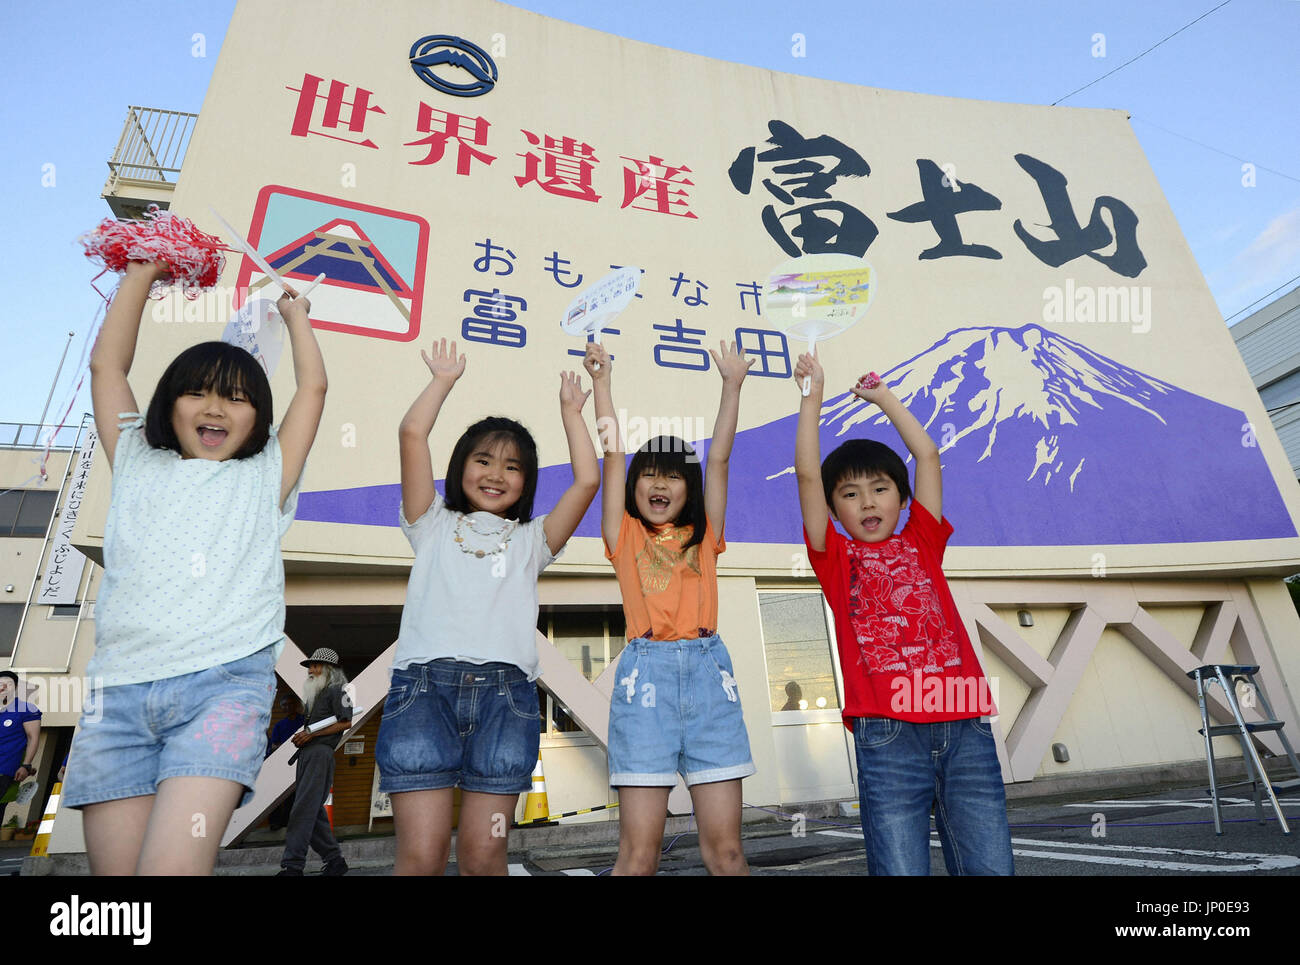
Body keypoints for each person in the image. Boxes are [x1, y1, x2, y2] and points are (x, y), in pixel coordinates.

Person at [61, 259, 327, 875]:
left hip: (222, 690)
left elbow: (312, 390)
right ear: (168, 403)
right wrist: (141, 270)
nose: (216, 408)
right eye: (198, 391)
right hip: (119, 693)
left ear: (258, 417)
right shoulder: (134, 456)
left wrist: (295, 317)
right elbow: (107, 366)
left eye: (237, 398)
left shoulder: (265, 475)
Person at [375, 338, 599, 876]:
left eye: (513, 467)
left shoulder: (533, 540)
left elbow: (589, 479)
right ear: (461, 466)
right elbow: (411, 433)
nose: (496, 474)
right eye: (483, 460)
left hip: (507, 701)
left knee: (483, 855)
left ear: (526, 481)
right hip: (422, 694)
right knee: (421, 858)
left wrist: (572, 413)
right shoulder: (429, 522)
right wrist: (443, 381)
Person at [793, 352, 1013, 876]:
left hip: (963, 722)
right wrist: (812, 399)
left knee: (991, 867)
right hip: (887, 731)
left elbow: (929, 455)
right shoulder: (836, 559)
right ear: (833, 509)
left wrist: (883, 396)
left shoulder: (923, 539)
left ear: (902, 497)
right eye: (849, 494)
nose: (866, 501)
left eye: (880, 488)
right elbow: (806, 476)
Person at [589, 340, 755, 876]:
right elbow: (612, 456)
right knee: (638, 855)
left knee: (726, 853)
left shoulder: (705, 536)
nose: (659, 483)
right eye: (650, 473)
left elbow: (721, 457)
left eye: (675, 474)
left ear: (691, 489)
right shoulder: (624, 534)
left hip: (710, 677)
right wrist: (602, 384)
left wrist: (731, 386)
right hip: (647, 681)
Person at [277, 649, 352, 876]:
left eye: (315, 665)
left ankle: (293, 866)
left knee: (302, 810)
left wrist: (311, 734)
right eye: (310, 666)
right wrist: (306, 737)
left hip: (320, 754)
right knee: (312, 811)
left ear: (328, 669)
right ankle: (335, 861)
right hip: (308, 754)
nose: (310, 670)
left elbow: (346, 722)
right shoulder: (316, 694)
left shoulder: (338, 690)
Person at [266, 694, 305, 830]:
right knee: (277, 793)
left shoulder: (303, 721)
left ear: (295, 706)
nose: (288, 707)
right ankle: (276, 823)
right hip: (282, 765)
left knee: (294, 795)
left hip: (301, 762)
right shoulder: (279, 725)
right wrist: (285, 747)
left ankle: (289, 822)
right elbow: (273, 746)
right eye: (285, 706)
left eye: (290, 704)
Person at [0, 671, 41, 799]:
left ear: (16, 687)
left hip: (4, 771)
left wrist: (26, 765)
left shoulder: (27, 708)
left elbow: (32, 738)